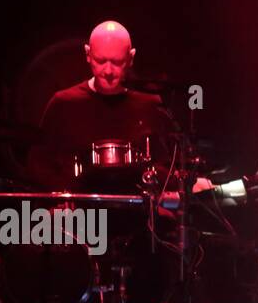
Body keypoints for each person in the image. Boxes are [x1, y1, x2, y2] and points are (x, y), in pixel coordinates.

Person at [27, 20, 176, 189]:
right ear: (88, 54)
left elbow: (167, 167)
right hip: (81, 212)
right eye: (100, 60)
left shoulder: (150, 105)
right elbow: (38, 165)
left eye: (117, 62)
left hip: (136, 211)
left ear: (131, 57)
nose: (108, 71)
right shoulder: (63, 103)